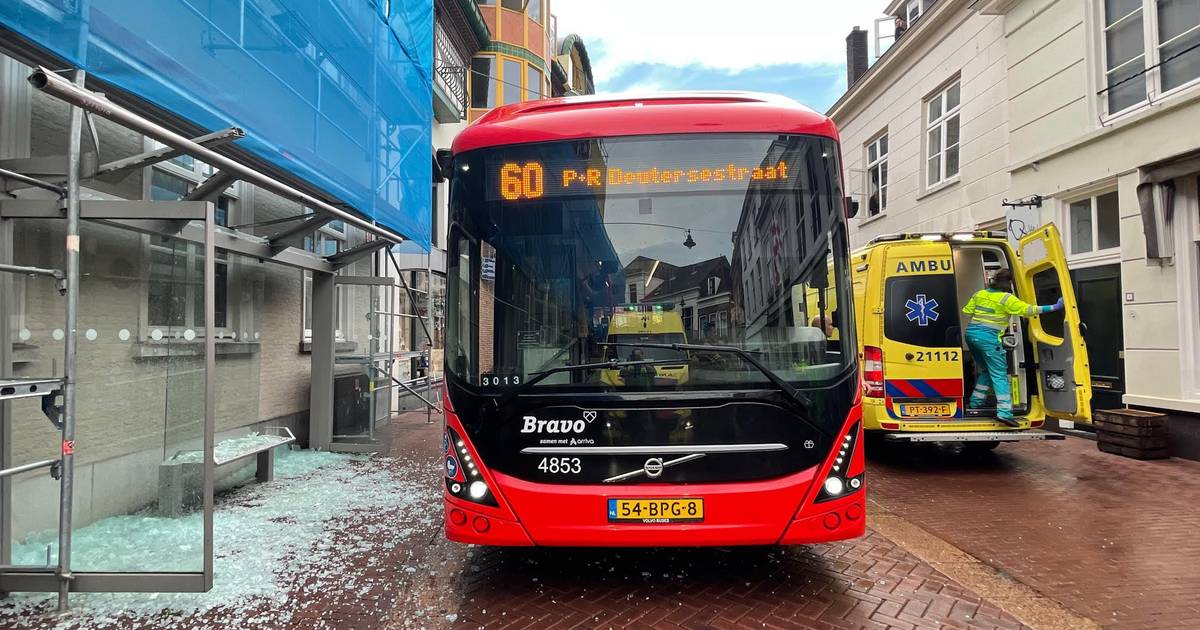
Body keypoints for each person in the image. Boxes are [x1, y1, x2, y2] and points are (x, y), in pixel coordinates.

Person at [962, 268, 1063, 427]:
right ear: (1008, 283)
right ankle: (1004, 413)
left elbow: (966, 312)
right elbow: (1029, 310)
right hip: (989, 340)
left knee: (986, 370)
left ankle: (975, 402)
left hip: (971, 337)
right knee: (999, 375)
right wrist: (1054, 307)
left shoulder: (979, 294)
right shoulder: (1007, 299)